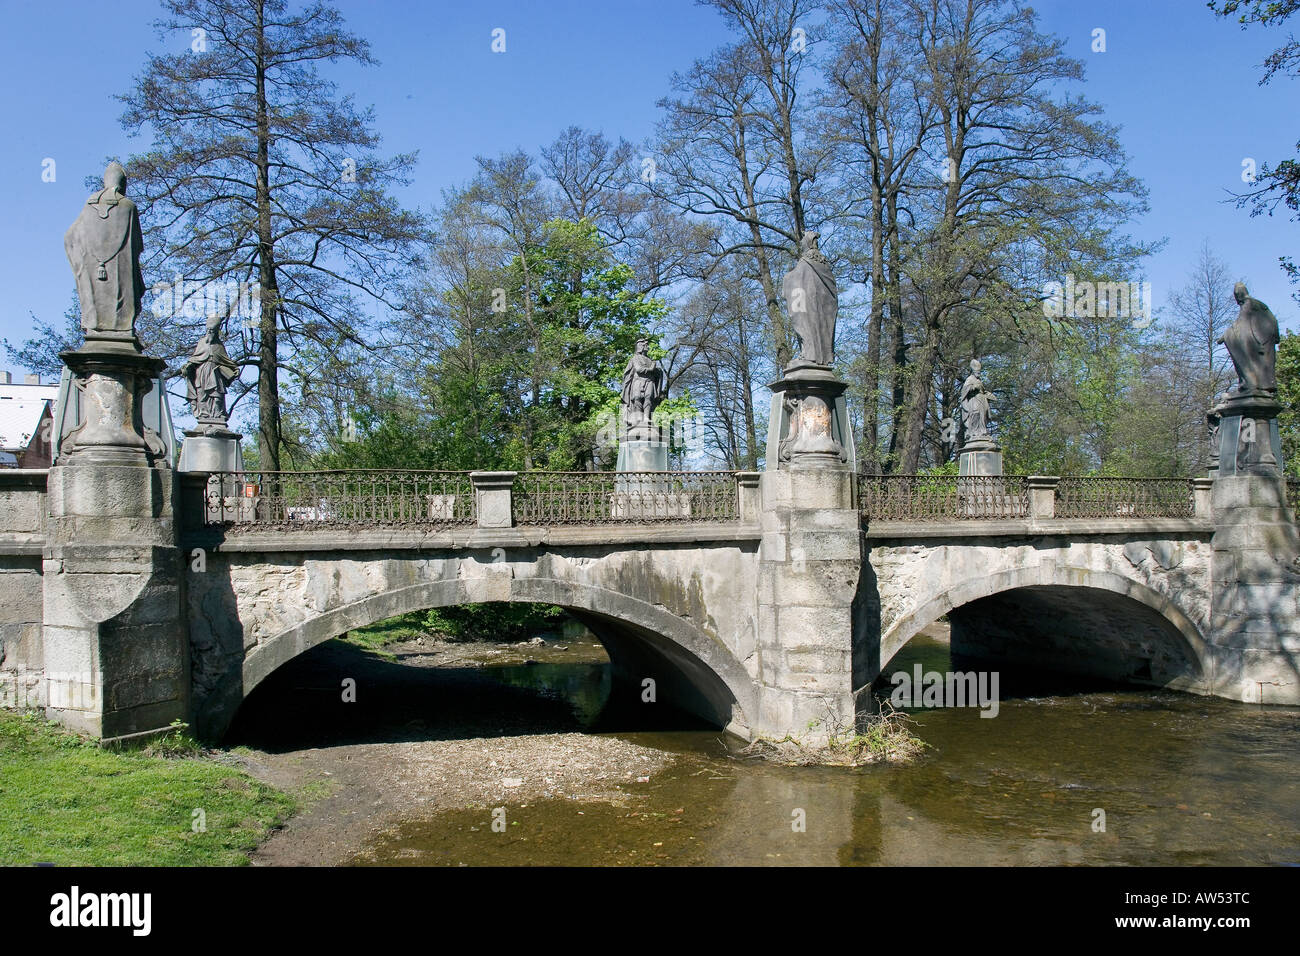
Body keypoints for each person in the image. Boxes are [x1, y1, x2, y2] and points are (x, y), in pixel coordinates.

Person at [64, 161, 144, 339]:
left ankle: (96, 326)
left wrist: (83, 263)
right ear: (122, 183)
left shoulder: (88, 207)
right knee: (123, 299)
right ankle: (122, 327)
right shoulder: (128, 206)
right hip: (121, 271)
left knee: (96, 297)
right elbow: (137, 246)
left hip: (93, 272)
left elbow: (70, 238)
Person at [1220, 283, 1279, 394]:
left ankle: (1251, 383)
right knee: (1265, 365)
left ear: (1239, 295)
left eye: (1236, 296)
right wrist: (1275, 336)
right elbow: (1274, 321)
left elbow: (1241, 323)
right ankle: (1266, 385)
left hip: (1257, 343)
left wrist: (1226, 335)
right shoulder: (1261, 305)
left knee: (1251, 361)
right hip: (1266, 341)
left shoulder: (1247, 304)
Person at [183, 314, 240, 426]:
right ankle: (204, 415)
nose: (209, 332)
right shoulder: (201, 343)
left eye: (212, 330)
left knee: (218, 396)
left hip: (215, 374)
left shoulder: (219, 345)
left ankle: (218, 414)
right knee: (202, 395)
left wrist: (235, 369)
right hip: (201, 373)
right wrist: (187, 367)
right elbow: (195, 358)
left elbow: (226, 360)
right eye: (208, 330)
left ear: (216, 331)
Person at [620, 338, 665, 439]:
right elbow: (639, 369)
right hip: (638, 381)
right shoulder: (635, 358)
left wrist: (657, 371)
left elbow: (655, 373)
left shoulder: (650, 360)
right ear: (641, 347)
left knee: (649, 398)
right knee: (637, 398)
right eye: (645, 345)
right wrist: (650, 369)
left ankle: (646, 418)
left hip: (649, 381)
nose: (647, 347)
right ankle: (638, 420)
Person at [960, 359, 994, 442]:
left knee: (983, 415)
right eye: (978, 372)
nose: (979, 374)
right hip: (974, 399)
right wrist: (973, 387)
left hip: (982, 400)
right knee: (976, 413)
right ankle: (973, 432)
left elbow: (983, 391)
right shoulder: (970, 379)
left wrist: (990, 395)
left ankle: (982, 432)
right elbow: (964, 390)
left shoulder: (979, 380)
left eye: (980, 372)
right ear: (973, 372)